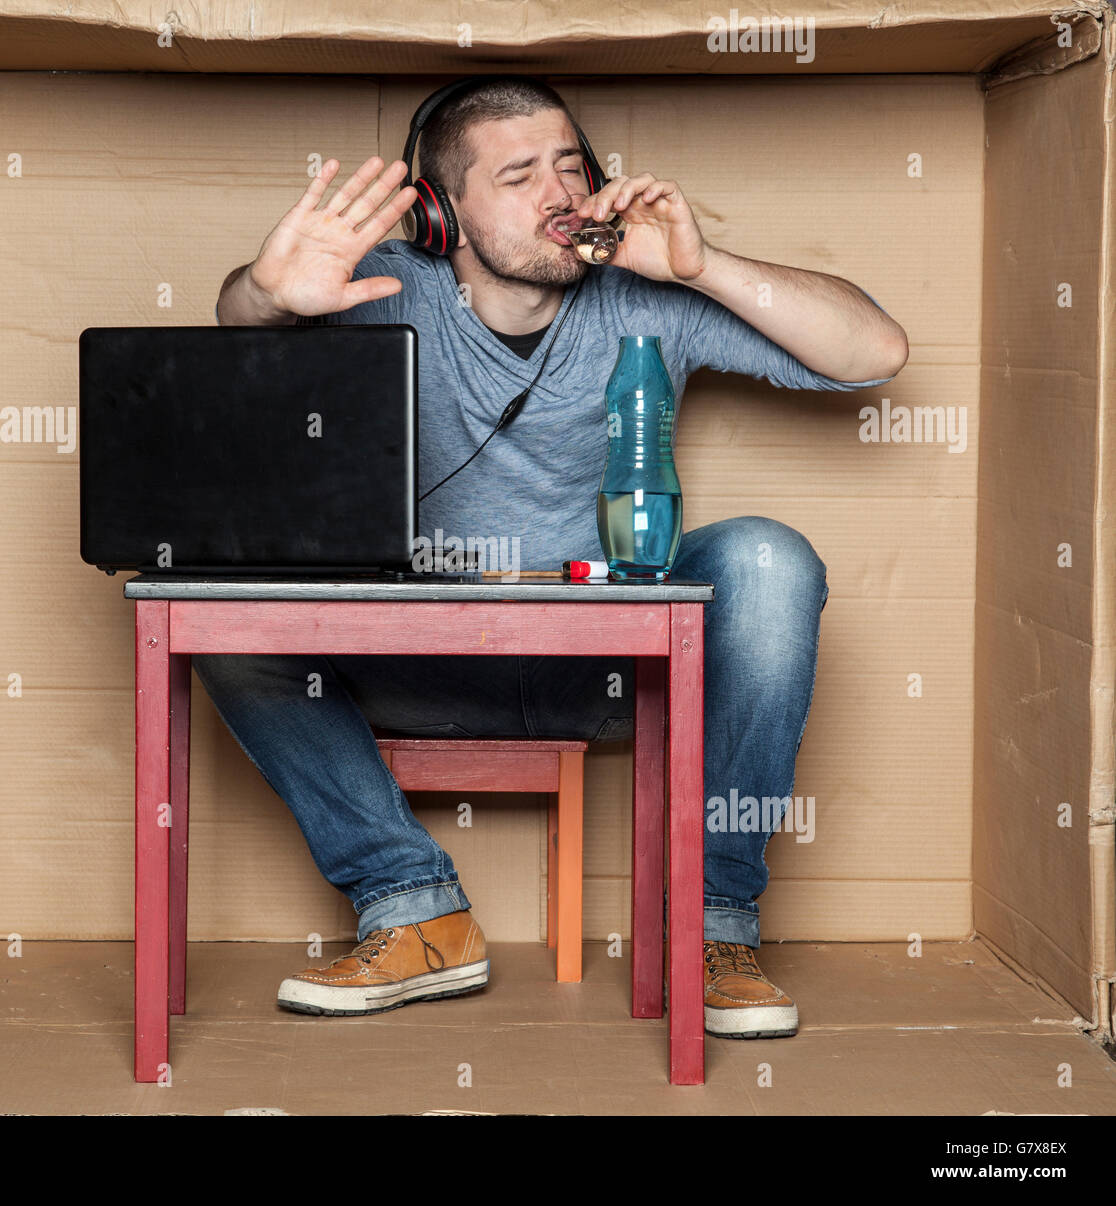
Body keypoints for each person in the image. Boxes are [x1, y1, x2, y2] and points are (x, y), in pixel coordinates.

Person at [207, 76, 908, 1038]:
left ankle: (711, 928)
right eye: (521, 175)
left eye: (573, 168)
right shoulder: (387, 288)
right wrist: (262, 295)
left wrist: (700, 269)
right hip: (417, 666)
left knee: (769, 559)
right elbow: (235, 328)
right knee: (215, 598)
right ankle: (414, 908)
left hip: (610, 666)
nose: (561, 195)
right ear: (443, 218)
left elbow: (874, 349)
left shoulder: (647, 292)